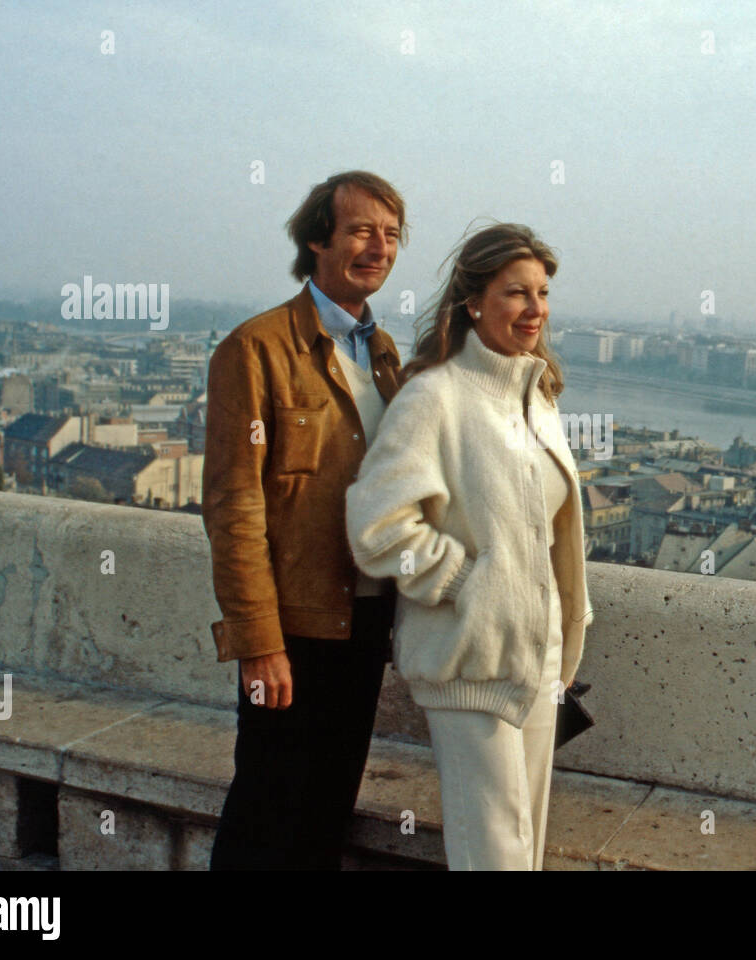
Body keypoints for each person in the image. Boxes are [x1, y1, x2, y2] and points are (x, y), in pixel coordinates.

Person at [346, 222, 593, 870]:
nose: (535, 308)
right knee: (495, 853)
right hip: (469, 658)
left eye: (542, 293)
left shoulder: (538, 397)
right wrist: (467, 584)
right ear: (473, 301)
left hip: (539, 659)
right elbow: (377, 528)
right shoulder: (435, 398)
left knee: (524, 846)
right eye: (517, 293)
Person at [202, 170, 407, 869]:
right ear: (317, 238)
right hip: (289, 633)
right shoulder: (256, 349)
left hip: (364, 623)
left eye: (390, 235)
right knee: (265, 813)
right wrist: (259, 646)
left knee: (324, 816)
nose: (377, 248)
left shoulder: (385, 357)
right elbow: (235, 508)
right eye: (359, 231)